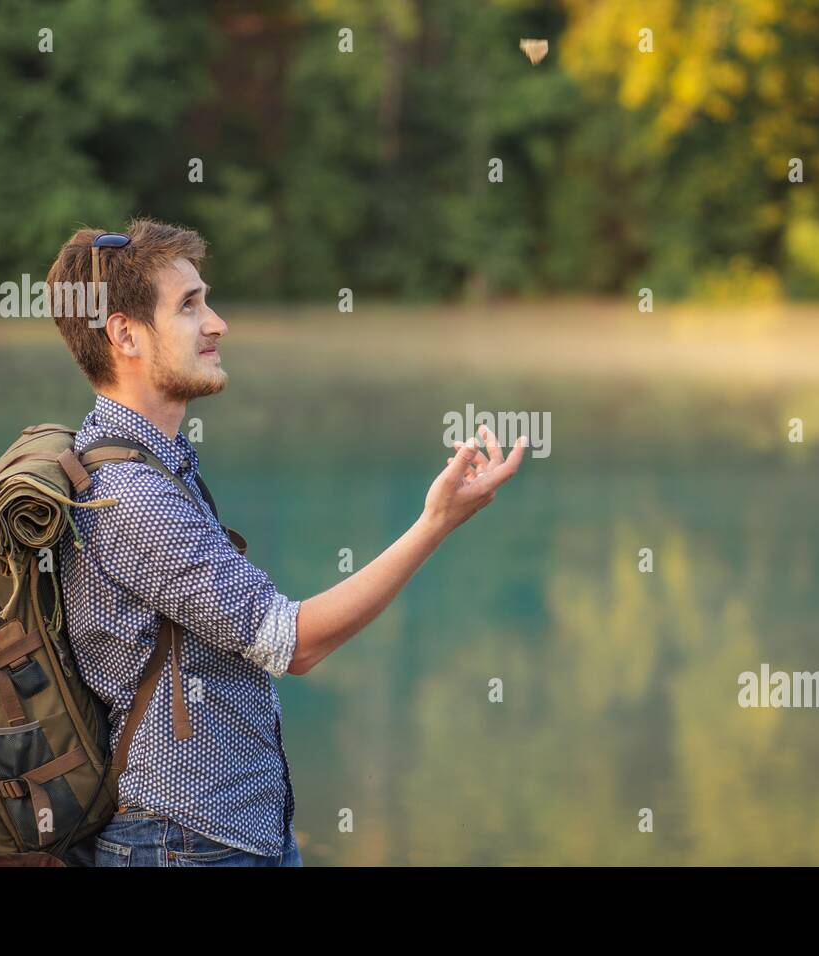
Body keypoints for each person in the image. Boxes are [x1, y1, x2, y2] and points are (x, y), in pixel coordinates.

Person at [45, 218, 524, 866]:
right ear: (124, 334)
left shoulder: (151, 461)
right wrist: (434, 523)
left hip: (221, 835)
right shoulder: (132, 495)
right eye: (189, 306)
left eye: (207, 302)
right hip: (187, 844)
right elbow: (293, 643)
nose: (217, 324)